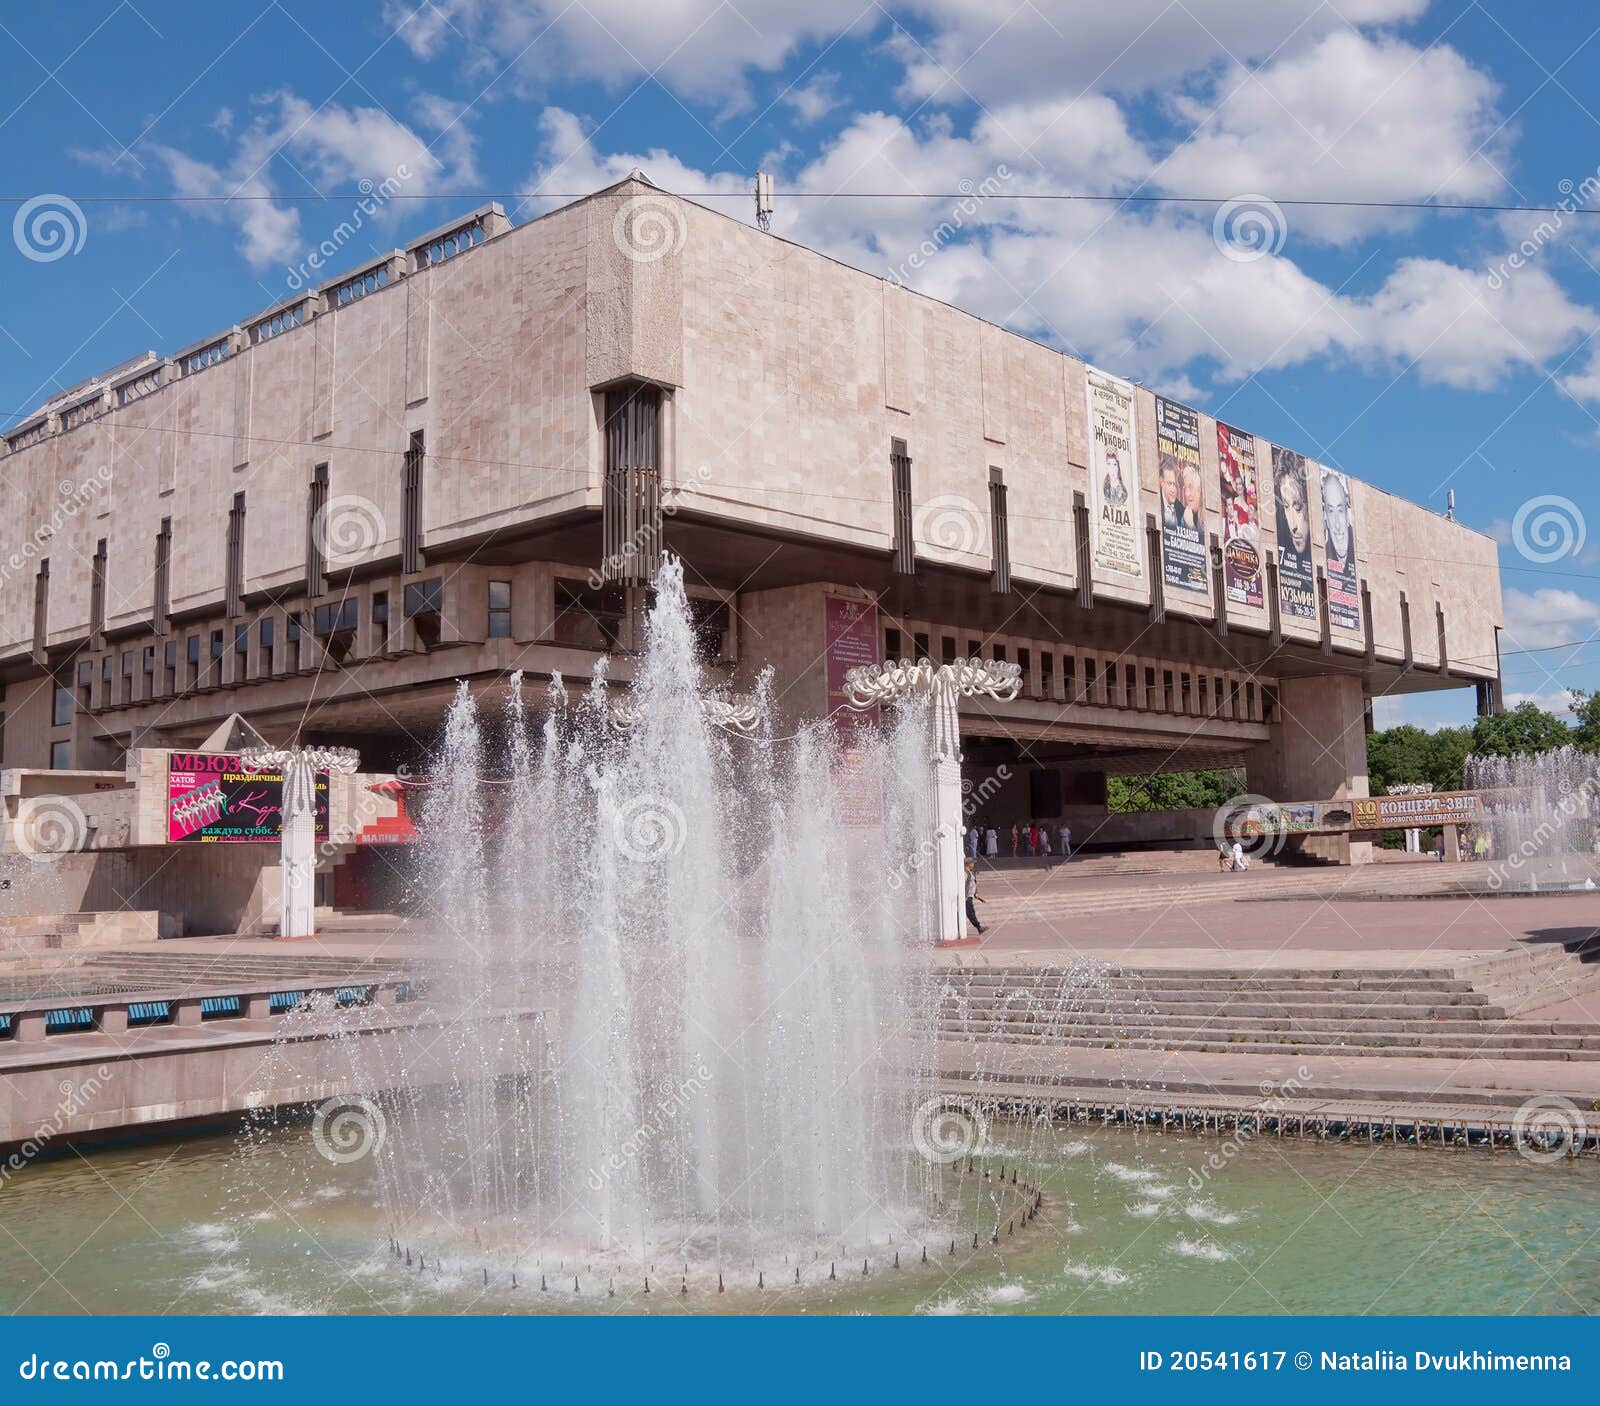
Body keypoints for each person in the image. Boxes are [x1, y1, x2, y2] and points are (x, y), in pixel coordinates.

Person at [964, 859, 984, 936]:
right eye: (972, 863)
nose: (973, 865)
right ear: (968, 864)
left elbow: (972, 884)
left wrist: (976, 895)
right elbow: (965, 885)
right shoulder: (965, 873)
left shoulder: (970, 873)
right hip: (967, 897)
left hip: (970, 896)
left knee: (971, 912)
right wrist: (965, 896)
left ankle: (979, 927)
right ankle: (979, 927)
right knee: (970, 913)